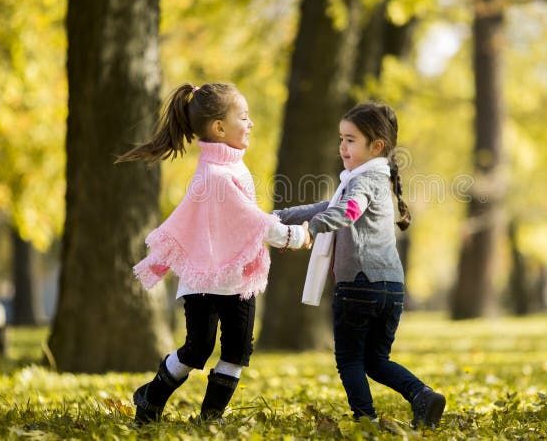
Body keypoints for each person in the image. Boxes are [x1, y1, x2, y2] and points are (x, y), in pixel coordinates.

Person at [116, 82, 312, 424]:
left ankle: (210, 418)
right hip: (206, 280)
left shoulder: (232, 168)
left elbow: (240, 222)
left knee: (237, 352)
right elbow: (251, 221)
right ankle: (151, 399)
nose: (251, 124)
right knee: (197, 349)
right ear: (219, 128)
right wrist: (293, 236)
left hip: (235, 279)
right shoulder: (215, 175)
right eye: (244, 117)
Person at [274, 102, 445, 428]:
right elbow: (327, 206)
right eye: (341, 138)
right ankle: (422, 395)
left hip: (359, 286)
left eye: (350, 139)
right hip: (392, 288)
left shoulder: (361, 181)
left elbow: (346, 212)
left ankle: (365, 420)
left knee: (350, 359)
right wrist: (278, 218)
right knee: (376, 360)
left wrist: (310, 229)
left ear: (376, 146)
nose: (342, 146)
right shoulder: (373, 179)